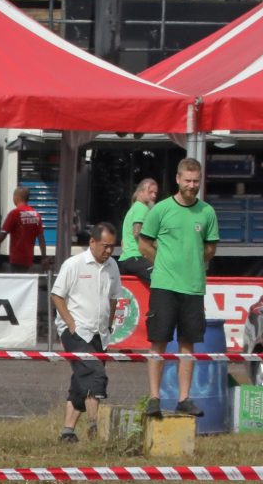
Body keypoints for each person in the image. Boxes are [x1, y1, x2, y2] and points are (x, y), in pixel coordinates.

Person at [135, 158, 218, 417]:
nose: (192, 185)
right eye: (187, 180)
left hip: (193, 288)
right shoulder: (160, 210)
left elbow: (211, 247)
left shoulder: (207, 212)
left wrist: (194, 261)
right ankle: (154, 397)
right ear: (178, 179)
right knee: (158, 341)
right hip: (164, 286)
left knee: (187, 344)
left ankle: (184, 397)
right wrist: (161, 264)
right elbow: (143, 243)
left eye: (196, 181)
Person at [50, 223, 125, 442]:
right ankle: (94, 426)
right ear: (92, 242)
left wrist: (109, 326)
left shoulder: (112, 266)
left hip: (100, 333)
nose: (109, 251)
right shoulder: (73, 264)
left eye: (112, 246)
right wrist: (71, 324)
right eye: (105, 246)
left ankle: (67, 431)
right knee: (95, 375)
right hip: (75, 332)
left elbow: (113, 298)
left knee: (81, 380)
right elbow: (57, 295)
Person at [0, 185, 45, 271]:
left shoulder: (15, 213)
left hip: (16, 260)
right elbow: (41, 239)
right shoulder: (36, 214)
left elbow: (2, 235)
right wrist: (44, 257)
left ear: (17, 197)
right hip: (29, 260)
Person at [117, 177, 157, 282]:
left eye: (155, 193)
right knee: (162, 279)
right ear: (140, 192)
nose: (154, 196)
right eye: (150, 192)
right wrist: (154, 246)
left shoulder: (134, 208)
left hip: (127, 259)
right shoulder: (141, 208)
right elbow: (137, 232)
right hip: (134, 257)